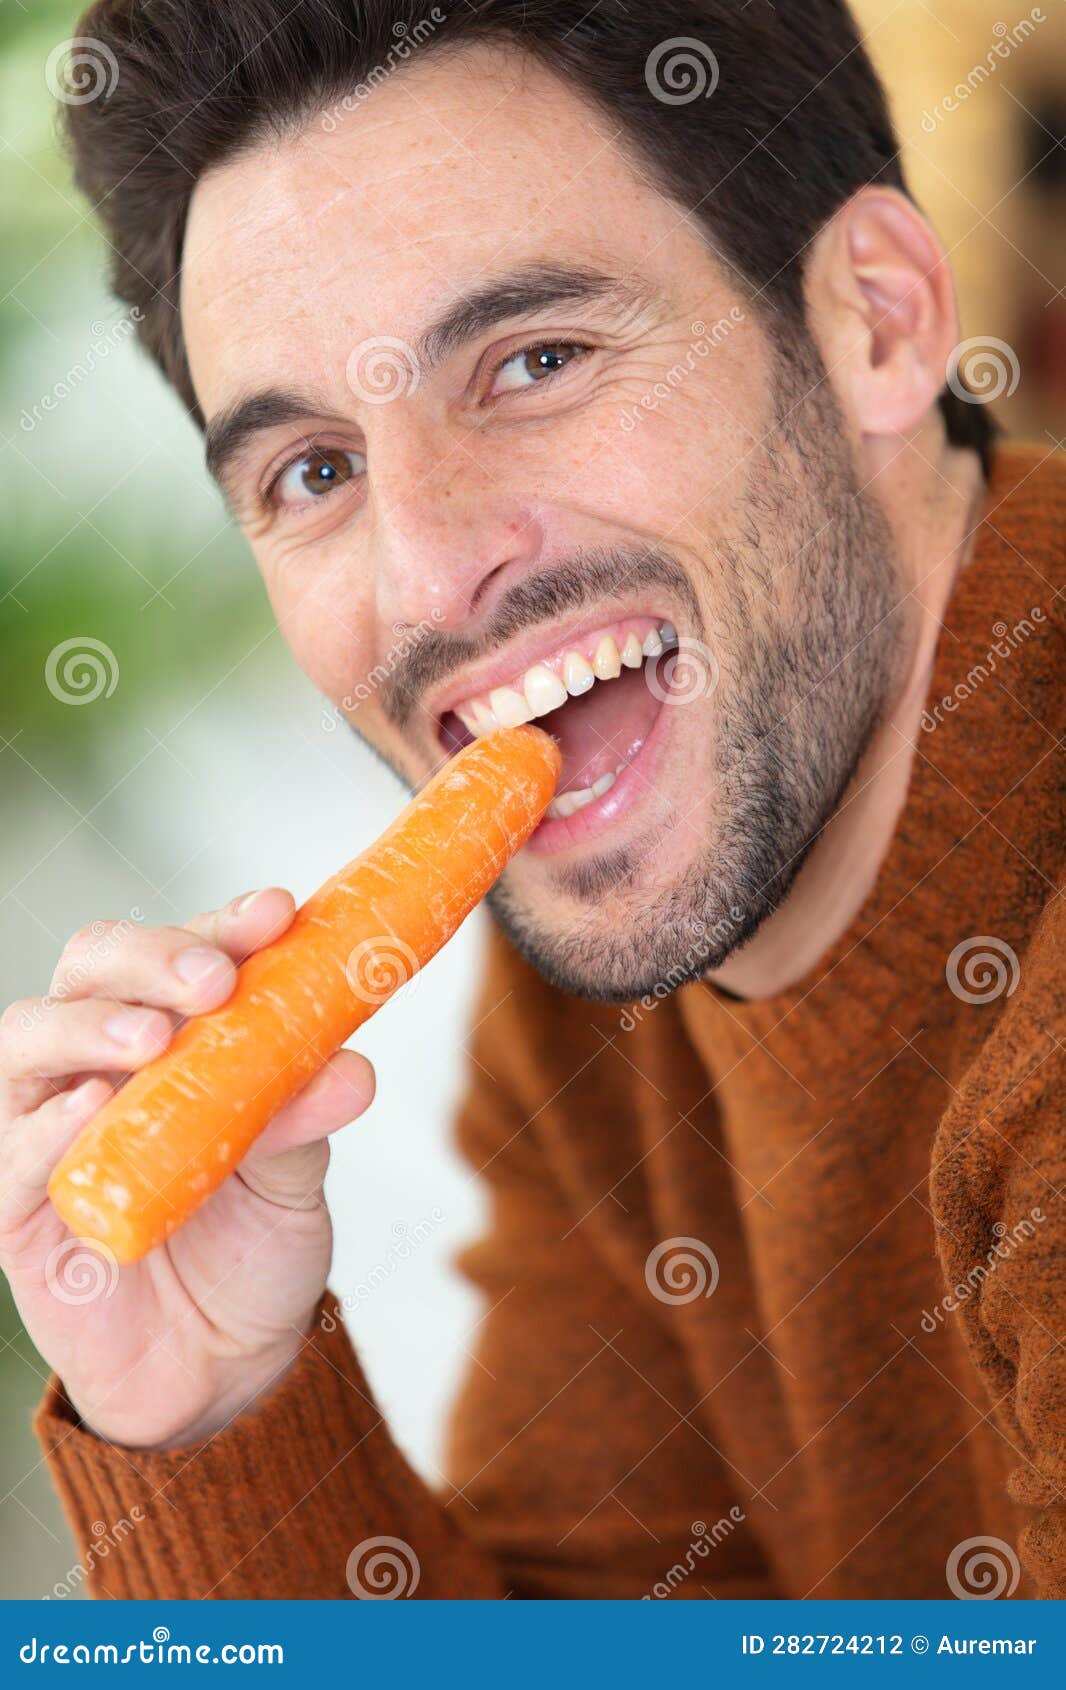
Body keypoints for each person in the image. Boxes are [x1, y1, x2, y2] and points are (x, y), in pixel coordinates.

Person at [2, 0, 1063, 1601]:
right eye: (312, 470)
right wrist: (223, 1408)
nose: (428, 573)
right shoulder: (604, 983)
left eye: (535, 360)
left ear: (878, 321)